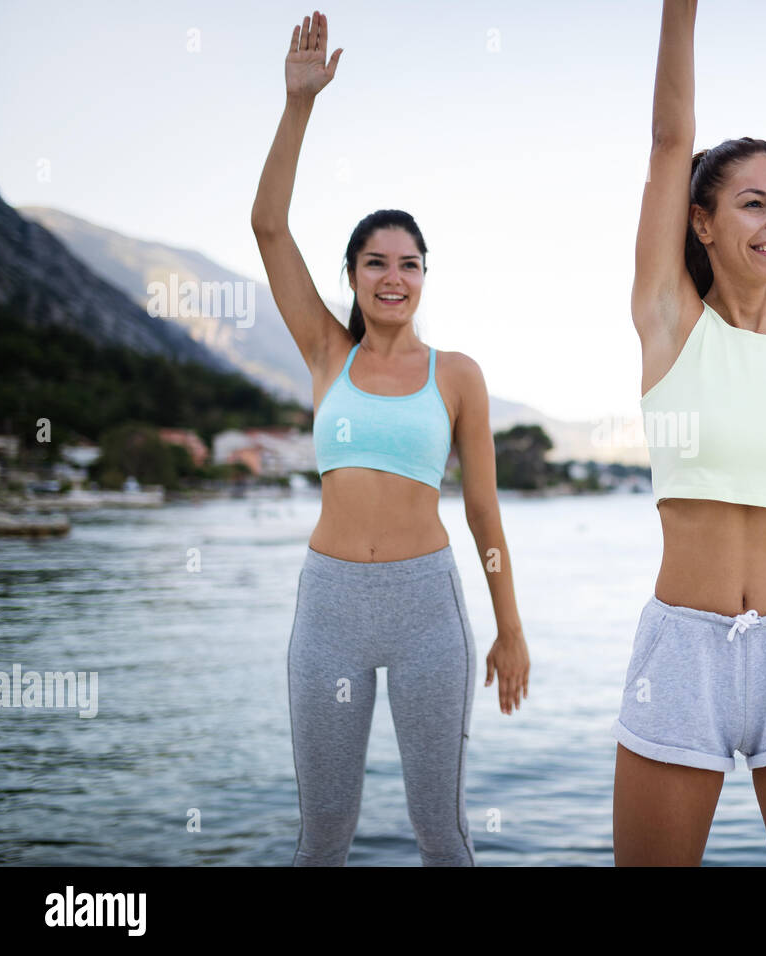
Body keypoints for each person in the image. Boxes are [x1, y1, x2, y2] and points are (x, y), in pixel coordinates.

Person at [250, 10, 530, 866]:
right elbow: (267, 227)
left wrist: (509, 628)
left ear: (424, 276)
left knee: (439, 828)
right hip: (329, 606)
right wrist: (298, 105)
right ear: (353, 276)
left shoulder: (459, 375)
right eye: (376, 262)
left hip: (426, 608)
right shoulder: (324, 352)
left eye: (409, 263)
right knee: (324, 831)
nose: (393, 276)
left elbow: (483, 512)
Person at [613, 0, 766, 866]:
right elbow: (667, 145)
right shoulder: (671, 325)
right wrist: (680, 14)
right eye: (753, 203)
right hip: (682, 651)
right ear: (701, 221)